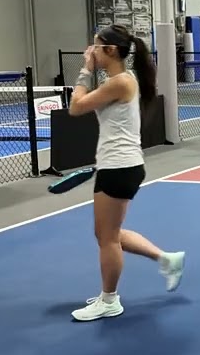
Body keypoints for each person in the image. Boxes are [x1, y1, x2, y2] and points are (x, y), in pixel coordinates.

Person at [68, 25, 185, 321]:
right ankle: (166, 259)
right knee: (108, 233)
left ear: (109, 50)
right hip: (117, 165)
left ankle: (110, 300)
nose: (91, 50)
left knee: (107, 238)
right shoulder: (121, 79)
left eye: (95, 46)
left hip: (120, 167)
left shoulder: (120, 81)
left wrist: (85, 70)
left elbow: (76, 106)